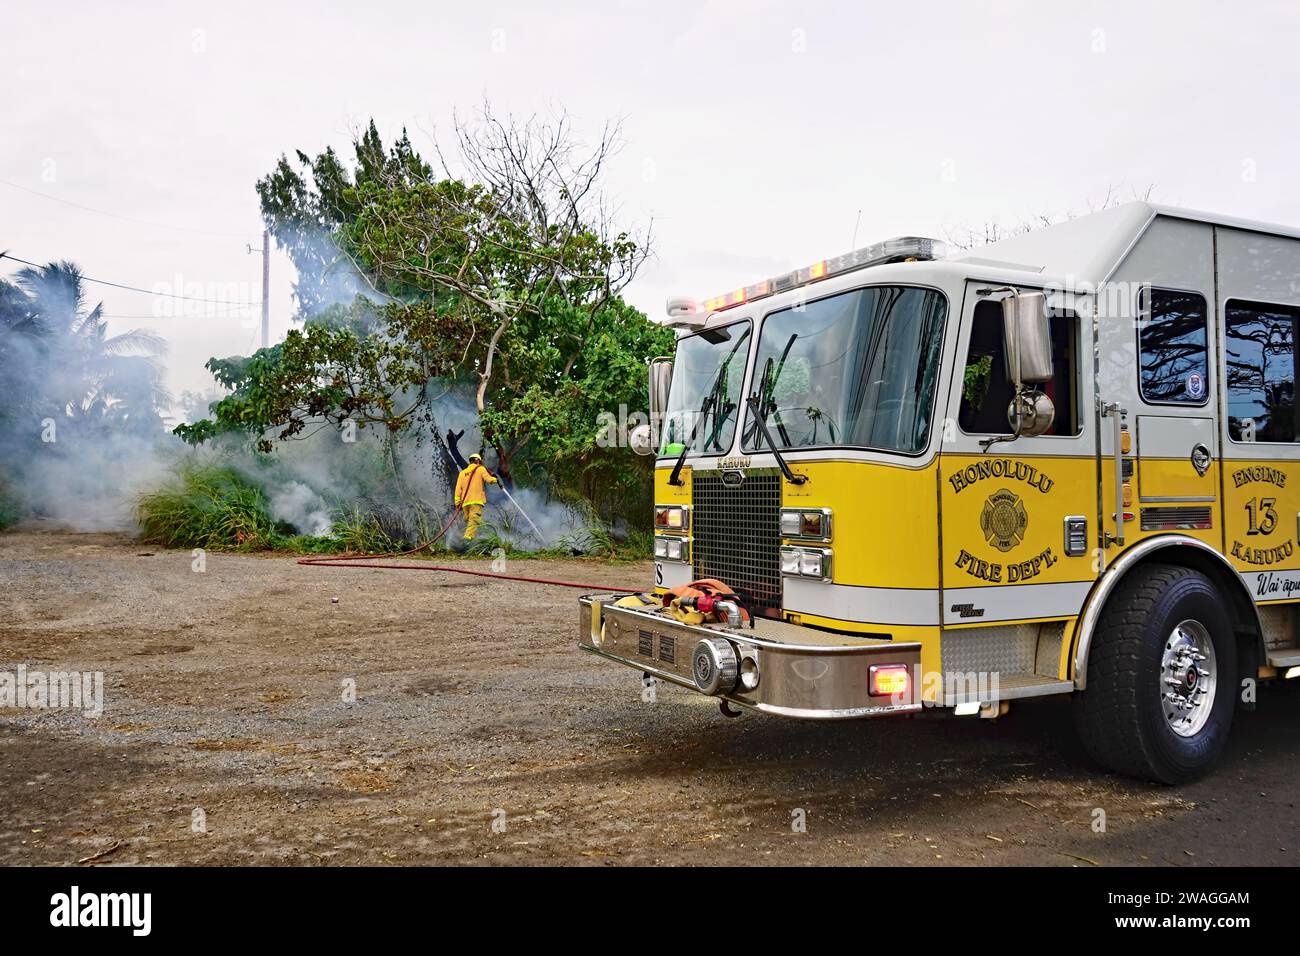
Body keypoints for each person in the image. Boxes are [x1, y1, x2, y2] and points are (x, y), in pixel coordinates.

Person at [453, 453, 498, 542]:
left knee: (471, 522)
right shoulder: (480, 469)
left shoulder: (462, 473)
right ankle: (466, 541)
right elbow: (489, 480)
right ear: (477, 460)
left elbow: (458, 489)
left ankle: (478, 538)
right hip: (476, 501)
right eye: (480, 461)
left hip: (465, 503)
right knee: (474, 522)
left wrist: (457, 503)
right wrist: (495, 479)